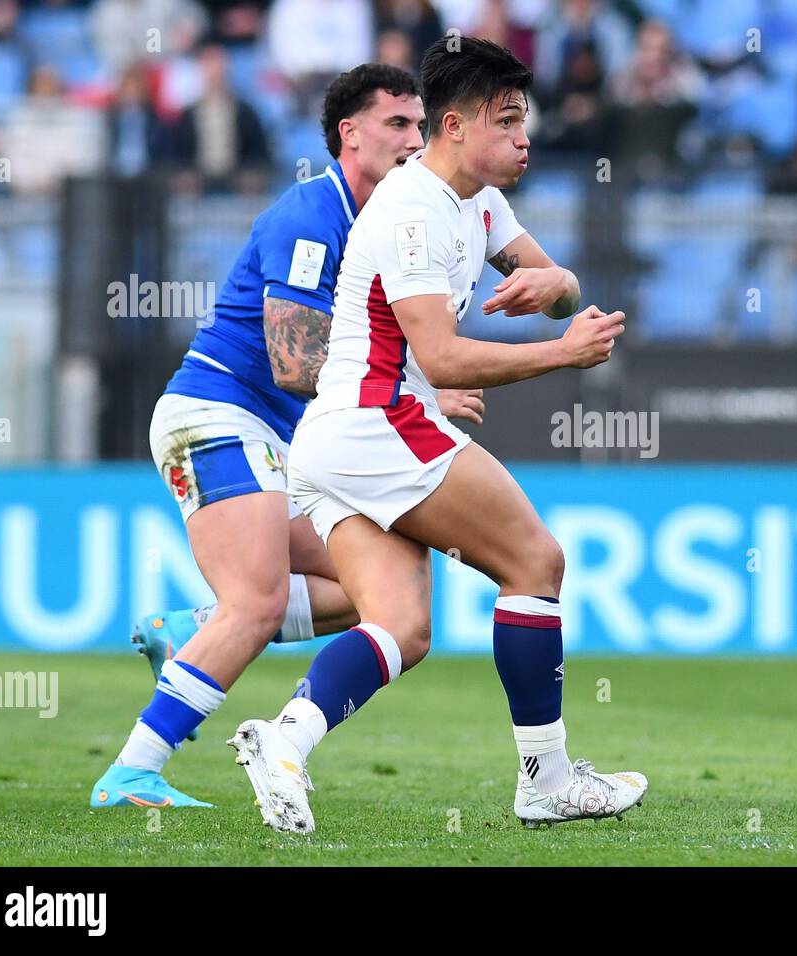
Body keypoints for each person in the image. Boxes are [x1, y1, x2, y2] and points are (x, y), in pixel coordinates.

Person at [229, 37, 646, 833]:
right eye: (509, 120)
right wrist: (564, 354)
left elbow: (553, 283)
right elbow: (442, 355)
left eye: (526, 120)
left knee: (401, 627)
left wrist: (560, 286)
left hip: (338, 439)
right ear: (453, 125)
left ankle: (284, 739)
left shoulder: (481, 200)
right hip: (376, 421)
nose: (525, 138)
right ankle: (546, 780)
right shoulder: (411, 210)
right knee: (536, 561)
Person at [90, 64, 484, 809]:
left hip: (280, 438)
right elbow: (293, 360)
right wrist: (415, 390)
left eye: (419, 126)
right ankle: (134, 770)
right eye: (397, 125)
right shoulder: (312, 216)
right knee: (259, 603)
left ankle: (191, 629)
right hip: (217, 413)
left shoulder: (393, 226)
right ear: (351, 134)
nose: (414, 141)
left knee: (377, 593)